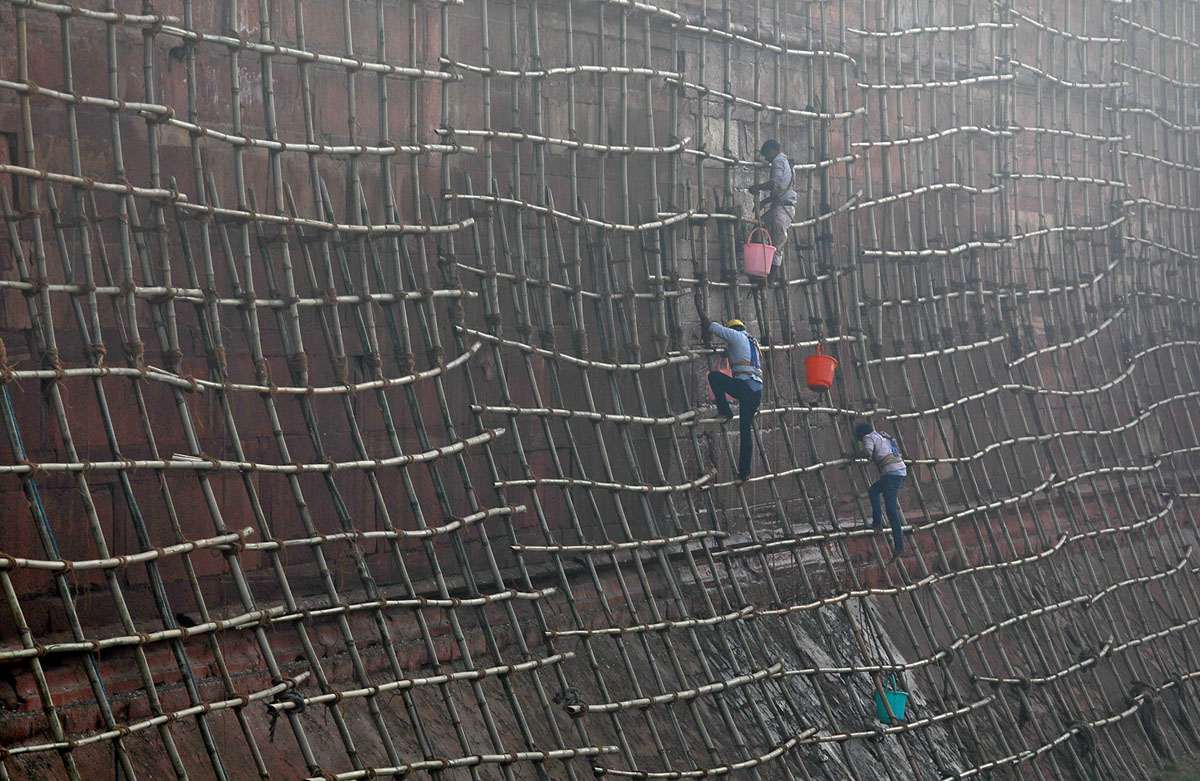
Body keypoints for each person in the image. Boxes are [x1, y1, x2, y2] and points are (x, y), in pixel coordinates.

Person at [698, 301, 762, 481]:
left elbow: (711, 325)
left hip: (745, 388)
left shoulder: (734, 335)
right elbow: (740, 355)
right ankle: (745, 472)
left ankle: (725, 411)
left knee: (714, 377)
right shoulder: (752, 341)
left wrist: (699, 305)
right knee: (745, 431)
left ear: (733, 329)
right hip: (756, 392)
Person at [854, 421, 908, 563]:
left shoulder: (868, 437)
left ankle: (899, 546)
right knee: (873, 491)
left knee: (891, 510)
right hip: (900, 472)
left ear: (861, 435)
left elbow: (867, 453)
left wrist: (852, 456)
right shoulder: (883, 435)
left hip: (891, 474)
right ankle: (877, 522)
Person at [747, 139, 797, 271]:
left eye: (767, 155)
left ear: (771, 151)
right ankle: (761, 262)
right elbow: (780, 189)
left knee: (777, 244)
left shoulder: (778, 161)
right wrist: (765, 202)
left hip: (783, 208)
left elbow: (774, 183)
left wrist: (757, 186)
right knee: (760, 225)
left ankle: (771, 275)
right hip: (782, 206)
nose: (767, 159)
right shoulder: (786, 162)